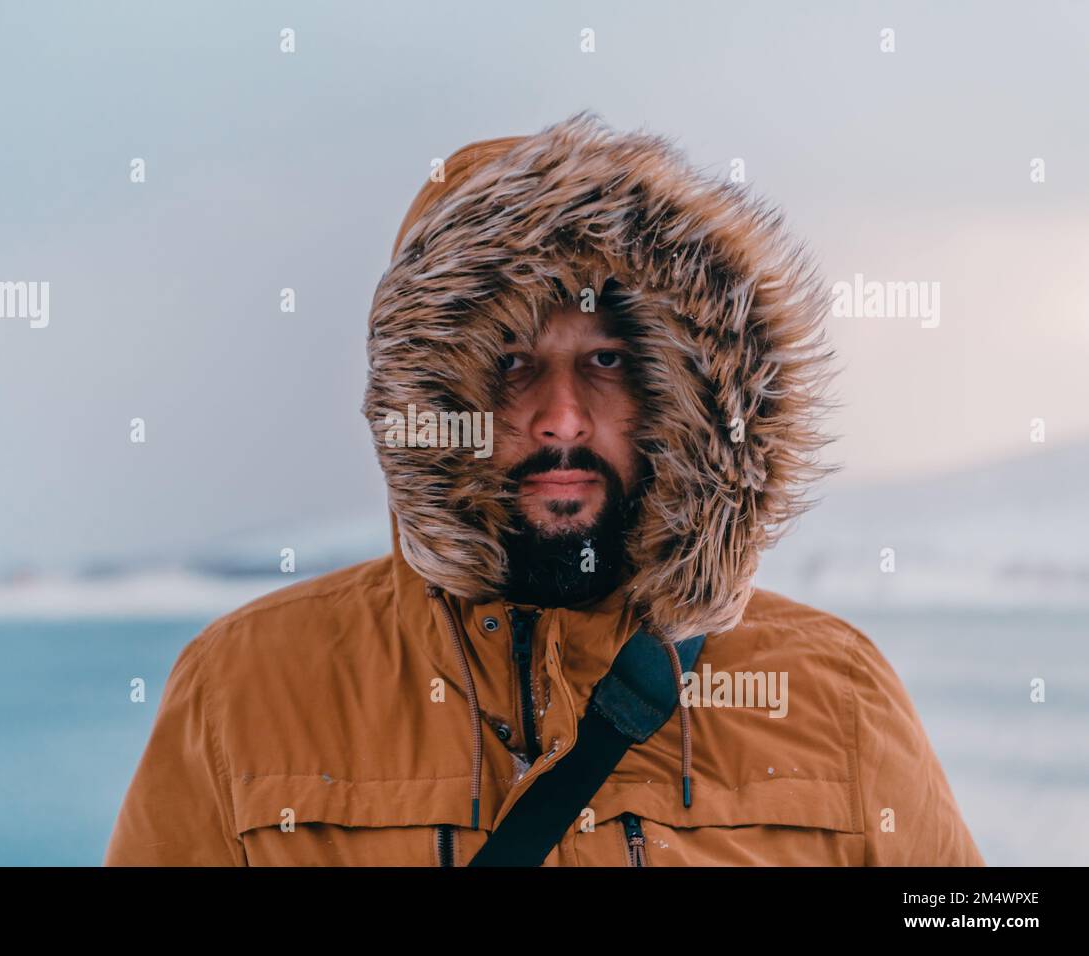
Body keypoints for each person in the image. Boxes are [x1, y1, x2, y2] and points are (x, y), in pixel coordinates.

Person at [104, 110, 984, 866]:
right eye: (512, 364)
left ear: (677, 396)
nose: (561, 420)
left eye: (603, 361)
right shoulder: (248, 691)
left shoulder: (832, 693)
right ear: (436, 397)